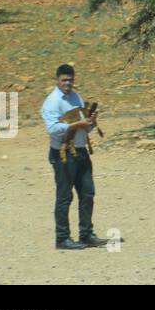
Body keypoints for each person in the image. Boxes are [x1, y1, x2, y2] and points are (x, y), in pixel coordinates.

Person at [40, 64, 107, 250]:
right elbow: (52, 128)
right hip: (63, 153)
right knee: (64, 196)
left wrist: (90, 122)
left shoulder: (76, 97)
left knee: (87, 193)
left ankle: (86, 234)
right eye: (64, 80)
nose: (68, 83)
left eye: (71, 79)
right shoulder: (52, 102)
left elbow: (85, 126)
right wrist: (77, 123)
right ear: (57, 80)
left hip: (81, 150)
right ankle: (62, 238)